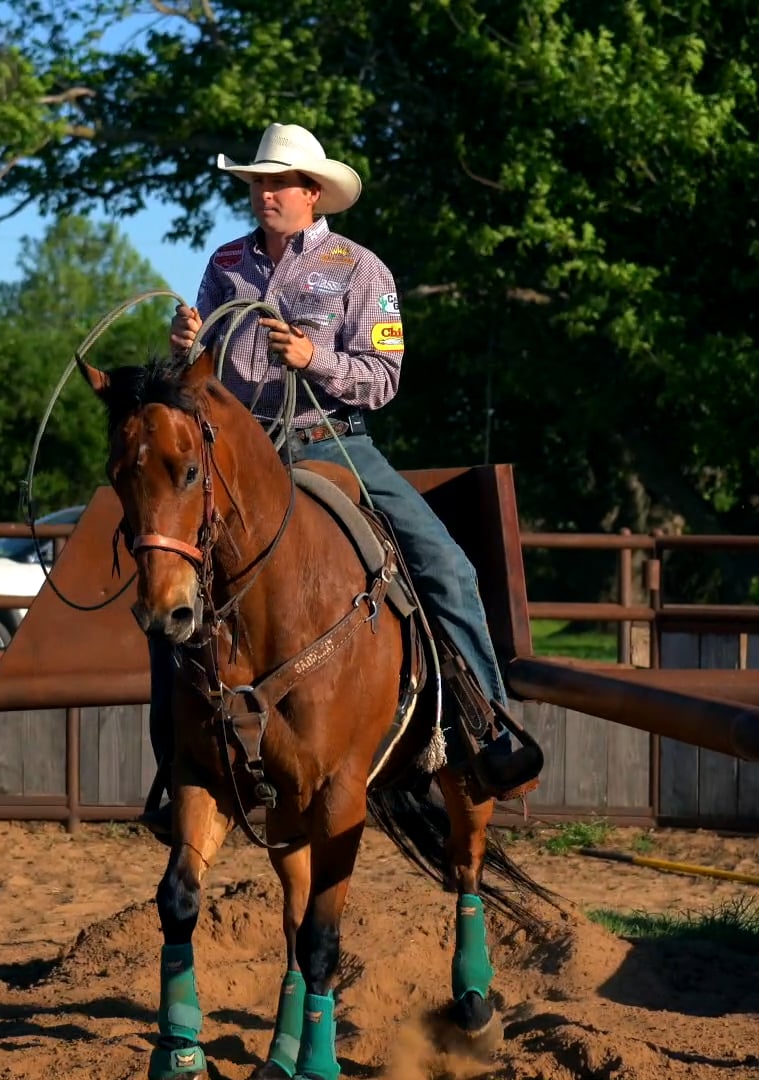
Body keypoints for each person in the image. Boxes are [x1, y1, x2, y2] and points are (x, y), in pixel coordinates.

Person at [137, 122, 541, 841]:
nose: (264, 193)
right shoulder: (225, 263)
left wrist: (313, 357)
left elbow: (384, 379)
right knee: (169, 582)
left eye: (277, 183)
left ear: (312, 193)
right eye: (258, 182)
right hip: (240, 457)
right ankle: (177, 764)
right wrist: (187, 347)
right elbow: (203, 375)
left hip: (333, 443)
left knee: (446, 566)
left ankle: (488, 729)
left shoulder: (362, 270)